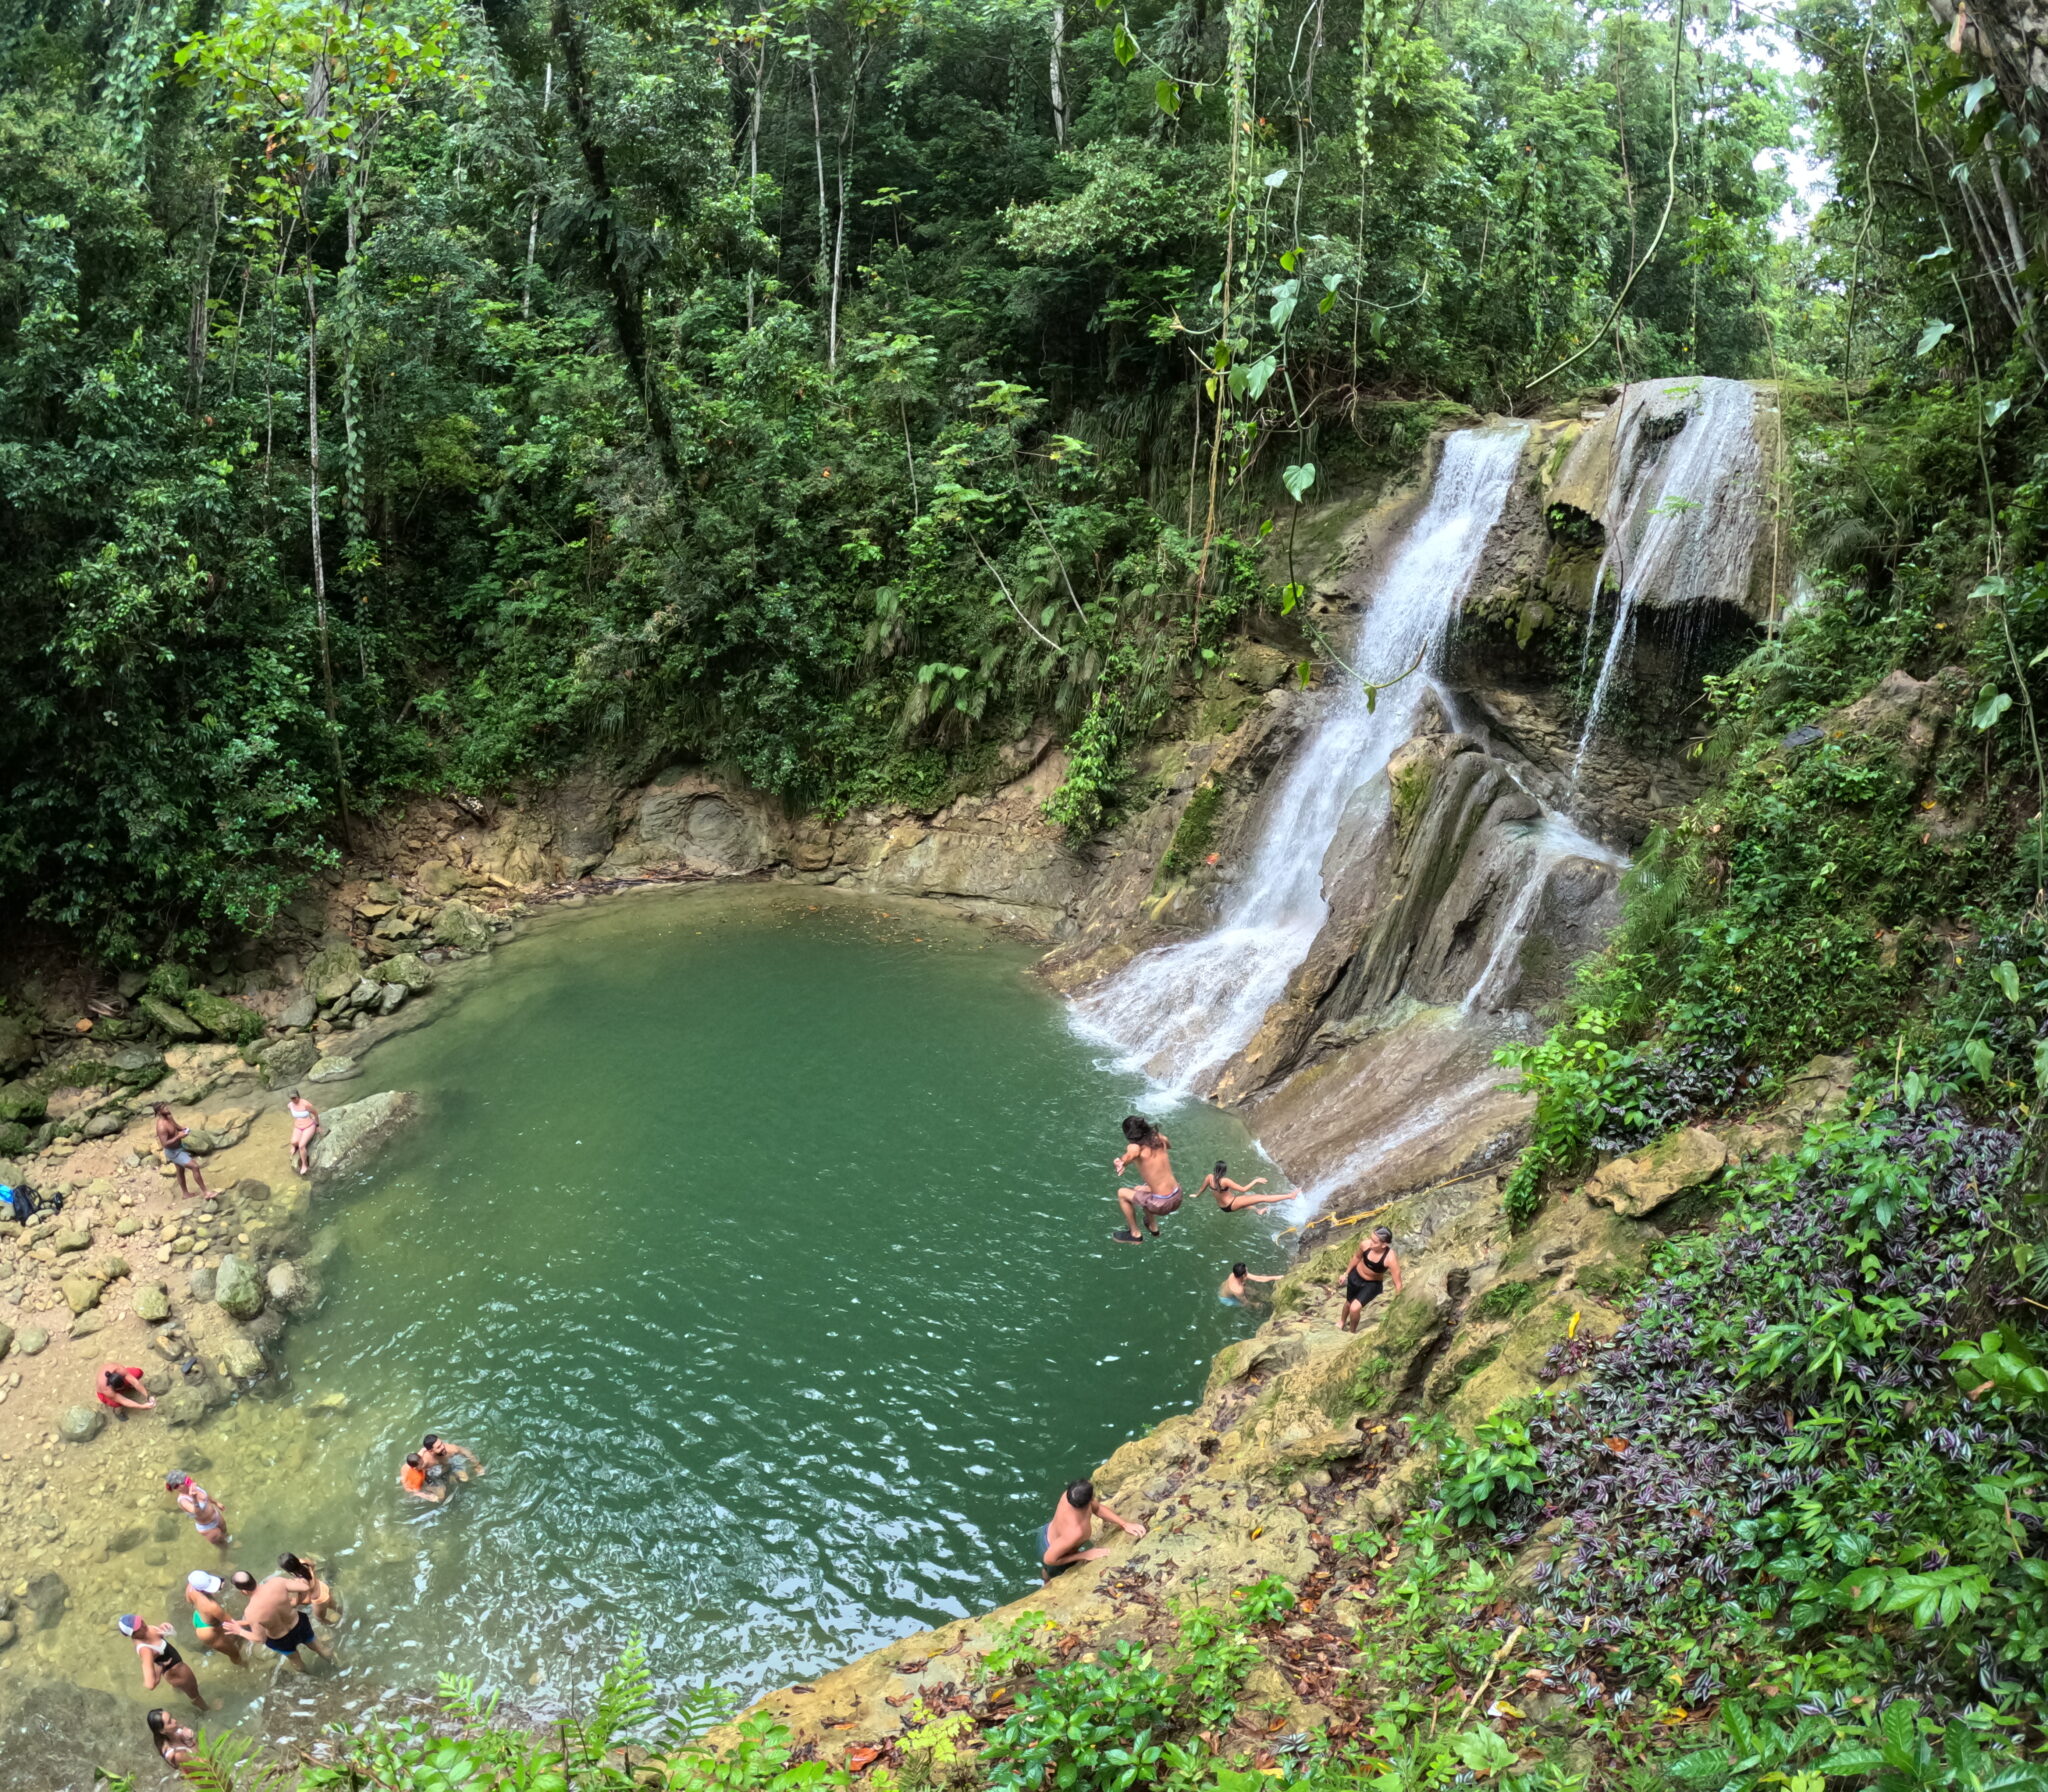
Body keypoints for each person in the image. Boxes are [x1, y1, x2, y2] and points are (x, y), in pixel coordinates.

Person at [226, 1564, 332, 1672]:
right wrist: (296, 1601)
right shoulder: (277, 1582)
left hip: (281, 1640)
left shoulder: (251, 1611)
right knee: (320, 1648)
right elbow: (305, 1587)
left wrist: (239, 1631)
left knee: (295, 1660)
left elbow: (260, 1639)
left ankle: (312, 1678)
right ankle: (336, 1666)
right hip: (299, 1624)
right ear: (253, 1579)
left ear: (243, 1591)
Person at [1040, 1479, 1146, 1582]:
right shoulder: (1076, 1531)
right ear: (1090, 1499)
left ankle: (1045, 1578)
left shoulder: (1069, 1495)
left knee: (1046, 1572)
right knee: (1051, 1575)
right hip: (1053, 1554)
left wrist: (1125, 1524)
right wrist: (1084, 1554)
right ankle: (1047, 1581)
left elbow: (1098, 1508)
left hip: (1045, 1534)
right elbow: (1049, 1559)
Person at [1111, 1115, 1183, 1244]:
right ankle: (1153, 1227)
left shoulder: (1135, 1147)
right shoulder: (1159, 1138)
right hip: (1177, 1195)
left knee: (1122, 1193)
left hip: (1161, 1204)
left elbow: (1131, 1154)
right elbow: (1168, 1144)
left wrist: (1122, 1162)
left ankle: (1135, 1234)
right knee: (1140, 1189)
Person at [117, 1614, 208, 1712]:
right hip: (177, 1671)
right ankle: (206, 1709)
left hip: (173, 1670)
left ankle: (179, 1693)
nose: (143, 1625)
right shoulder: (145, 1651)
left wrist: (163, 1628)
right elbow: (149, 1684)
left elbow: (159, 1637)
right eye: (139, 1627)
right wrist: (159, 1667)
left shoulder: (146, 1630)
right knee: (195, 1694)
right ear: (134, 1634)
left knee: (181, 1688)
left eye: (141, 1621)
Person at [1340, 1226, 1404, 1332]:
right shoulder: (1365, 1244)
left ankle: (1351, 1331)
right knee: (1348, 1303)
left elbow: (1398, 1284)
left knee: (1354, 1308)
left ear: (1384, 1245)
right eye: (1371, 1239)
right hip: (1355, 1277)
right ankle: (1342, 1322)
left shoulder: (1390, 1258)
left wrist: (1397, 1304)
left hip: (1372, 1284)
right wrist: (1345, 1274)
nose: (1371, 1243)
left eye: (1374, 1242)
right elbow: (1356, 1257)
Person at [183, 1570, 246, 1665]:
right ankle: (244, 1667)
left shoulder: (191, 1587)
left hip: (198, 1617)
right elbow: (231, 1622)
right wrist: (251, 1622)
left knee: (230, 1637)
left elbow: (189, 1601)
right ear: (203, 1590)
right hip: (208, 1632)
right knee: (234, 1653)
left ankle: (227, 1638)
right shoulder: (212, 1606)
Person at [153, 1104, 213, 1200]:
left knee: (180, 1170)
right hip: (173, 1152)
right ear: (159, 1112)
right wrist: (178, 1137)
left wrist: (184, 1129)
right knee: (195, 1166)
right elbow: (165, 1144)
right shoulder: (161, 1126)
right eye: (164, 1108)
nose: (167, 1108)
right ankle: (206, 1192)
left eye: (166, 1106)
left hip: (179, 1147)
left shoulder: (169, 1116)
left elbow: (177, 1126)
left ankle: (185, 1194)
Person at [166, 1472, 228, 1550]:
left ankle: (230, 1540)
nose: (186, 1482)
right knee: (221, 1542)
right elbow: (197, 1513)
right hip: (207, 1526)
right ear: (177, 1488)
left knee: (225, 1531)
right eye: (182, 1482)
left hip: (216, 1515)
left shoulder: (193, 1487)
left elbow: (206, 1496)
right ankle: (226, 1553)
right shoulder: (183, 1500)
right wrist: (194, 1498)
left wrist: (216, 1503)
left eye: (185, 1479)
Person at [1199, 1162, 1294, 1213]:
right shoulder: (1225, 1181)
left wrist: (1196, 1195)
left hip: (1222, 1207)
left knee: (1245, 1202)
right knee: (1262, 1198)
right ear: (1224, 1171)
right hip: (1231, 1204)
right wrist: (1255, 1181)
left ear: (1215, 1169)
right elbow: (1243, 1189)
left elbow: (1202, 1188)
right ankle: (1290, 1196)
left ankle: (1258, 1211)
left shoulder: (1209, 1177)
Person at [287, 1091, 320, 1178]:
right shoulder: (290, 1105)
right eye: (292, 1098)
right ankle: (294, 1146)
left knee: (302, 1145)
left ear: (298, 1096)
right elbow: (296, 1115)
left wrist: (317, 1125)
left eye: (295, 1097)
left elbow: (315, 1113)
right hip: (298, 1127)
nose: (294, 1100)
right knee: (294, 1142)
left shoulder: (306, 1104)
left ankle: (304, 1165)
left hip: (309, 1126)